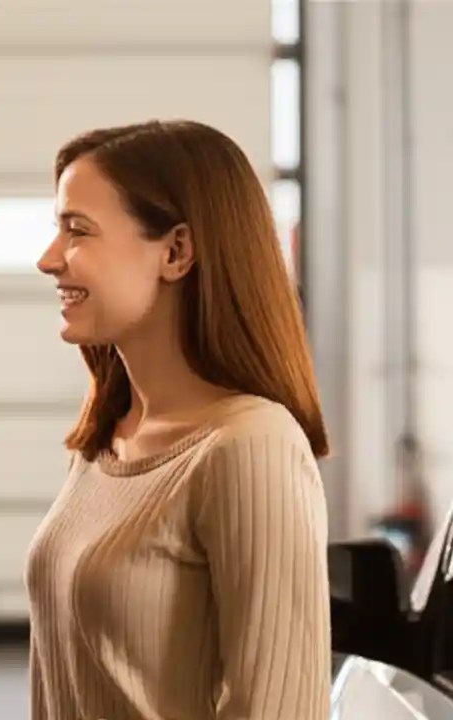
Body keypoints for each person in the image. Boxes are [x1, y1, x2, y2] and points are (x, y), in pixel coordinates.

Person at [26, 120, 331, 719]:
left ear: (175, 251)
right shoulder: (106, 440)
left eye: (76, 230)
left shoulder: (251, 445)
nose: (48, 259)